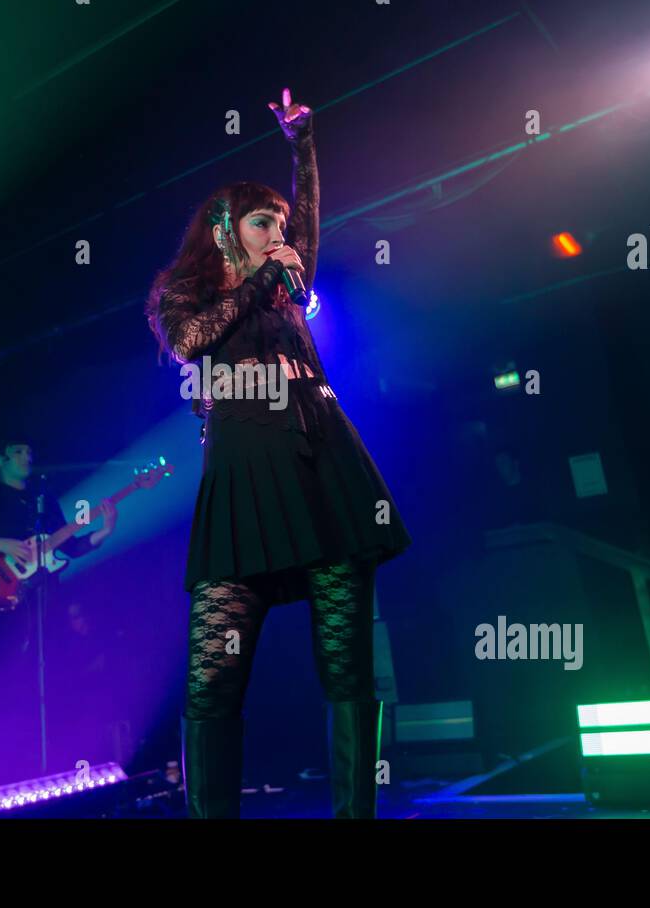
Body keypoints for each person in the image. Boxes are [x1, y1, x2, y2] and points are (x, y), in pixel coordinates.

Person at [145, 88, 412, 817]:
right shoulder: (185, 292)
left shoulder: (289, 290)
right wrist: (264, 277)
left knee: (347, 667)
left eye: (282, 223)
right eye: (265, 221)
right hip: (243, 470)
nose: (279, 233)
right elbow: (193, 344)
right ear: (227, 228)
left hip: (323, 458)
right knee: (213, 678)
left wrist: (303, 145)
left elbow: (313, 224)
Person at [0, 438, 117, 778]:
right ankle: (1, 761)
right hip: (3, 605)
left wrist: (105, 531)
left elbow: (71, 546)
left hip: (45, 599)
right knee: (3, 675)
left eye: (30, 452)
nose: (27, 457)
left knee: (50, 670)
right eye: (18, 451)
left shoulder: (43, 498)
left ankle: (53, 759)